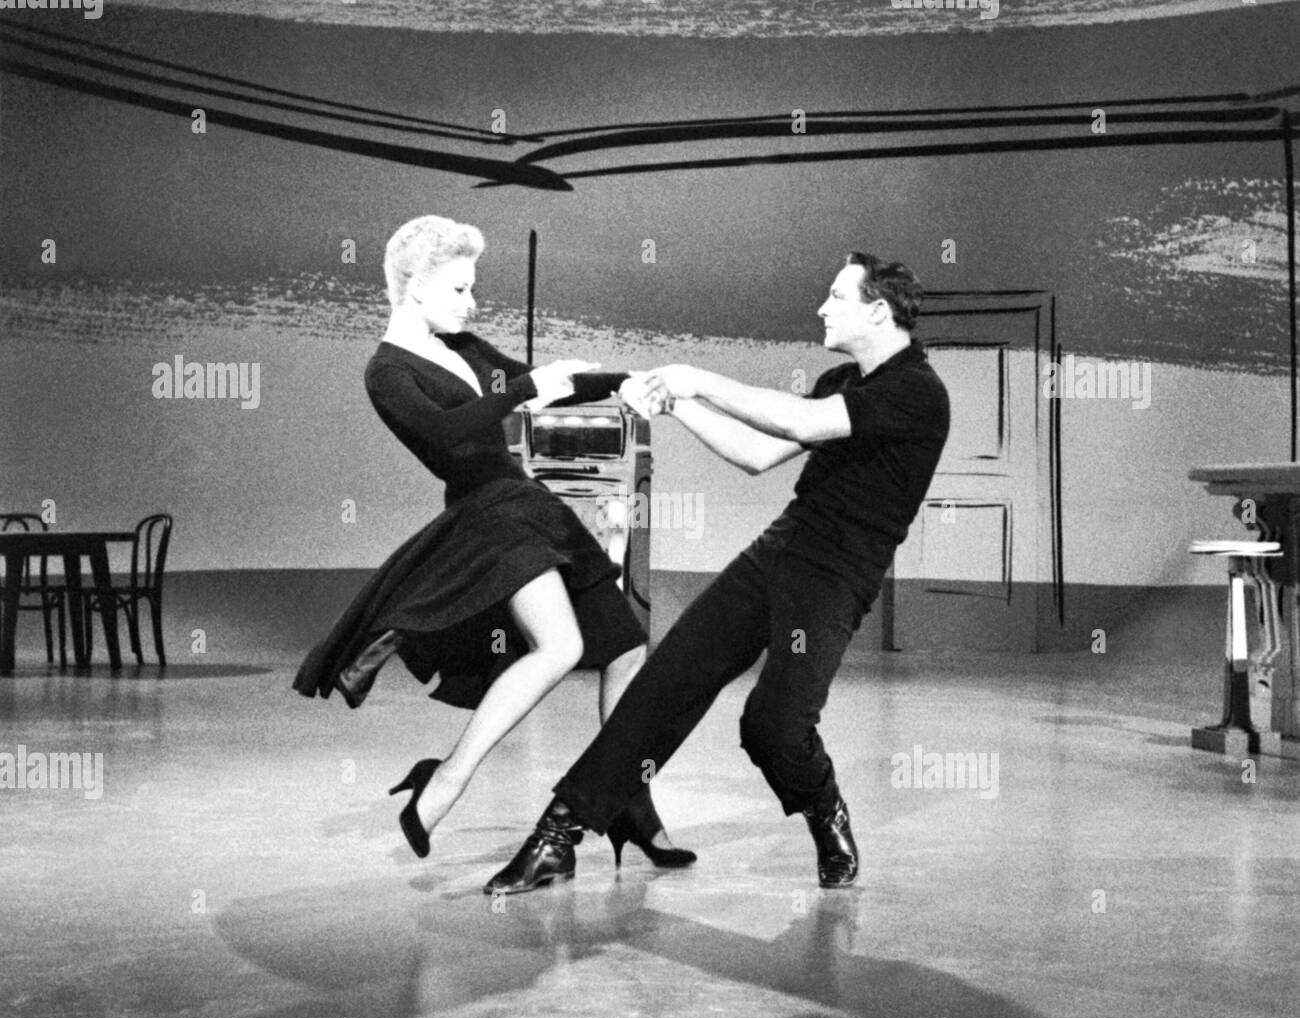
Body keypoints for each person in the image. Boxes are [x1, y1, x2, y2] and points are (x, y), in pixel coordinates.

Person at [484, 252, 950, 893]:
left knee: (772, 727)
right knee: (665, 682)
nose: (821, 307)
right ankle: (557, 836)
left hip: (836, 576)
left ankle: (825, 809)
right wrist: (674, 405)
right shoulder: (844, 378)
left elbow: (799, 421)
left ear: (877, 310)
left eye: (835, 297)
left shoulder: (918, 391)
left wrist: (694, 377)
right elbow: (759, 453)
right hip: (782, 549)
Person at [293, 214, 694, 871]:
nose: (471, 303)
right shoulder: (386, 371)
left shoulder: (468, 348)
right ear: (416, 289)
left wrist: (626, 383)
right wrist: (527, 389)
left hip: (534, 507)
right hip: (491, 518)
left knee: (625, 646)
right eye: (458, 290)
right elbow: (449, 434)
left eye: (472, 289)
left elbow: (545, 387)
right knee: (561, 646)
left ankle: (630, 799)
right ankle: (447, 776)